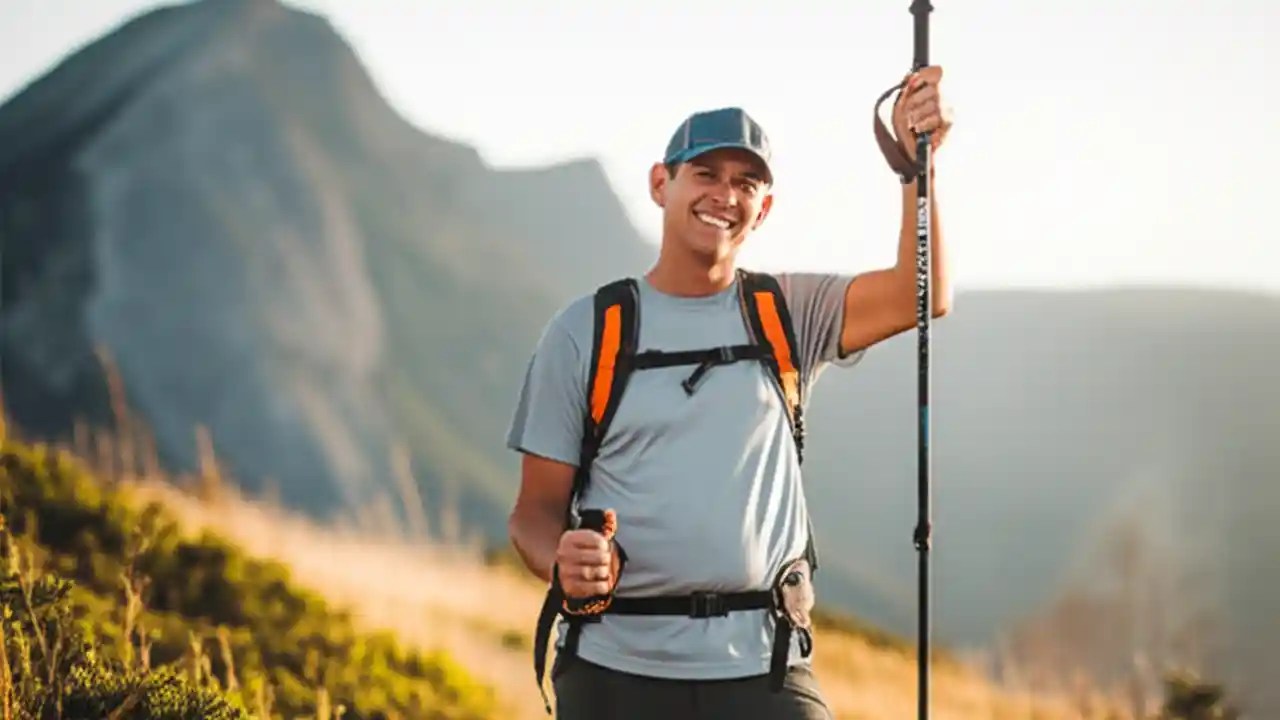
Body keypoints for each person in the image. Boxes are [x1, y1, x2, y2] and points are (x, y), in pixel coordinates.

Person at [505, 66, 954, 719]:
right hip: (612, 668)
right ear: (661, 183)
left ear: (763, 208)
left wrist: (919, 165)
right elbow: (532, 515)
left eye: (746, 182)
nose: (726, 194)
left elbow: (925, 293)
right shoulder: (586, 331)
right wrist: (560, 562)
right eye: (705, 174)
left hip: (766, 669)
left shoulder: (791, 313)